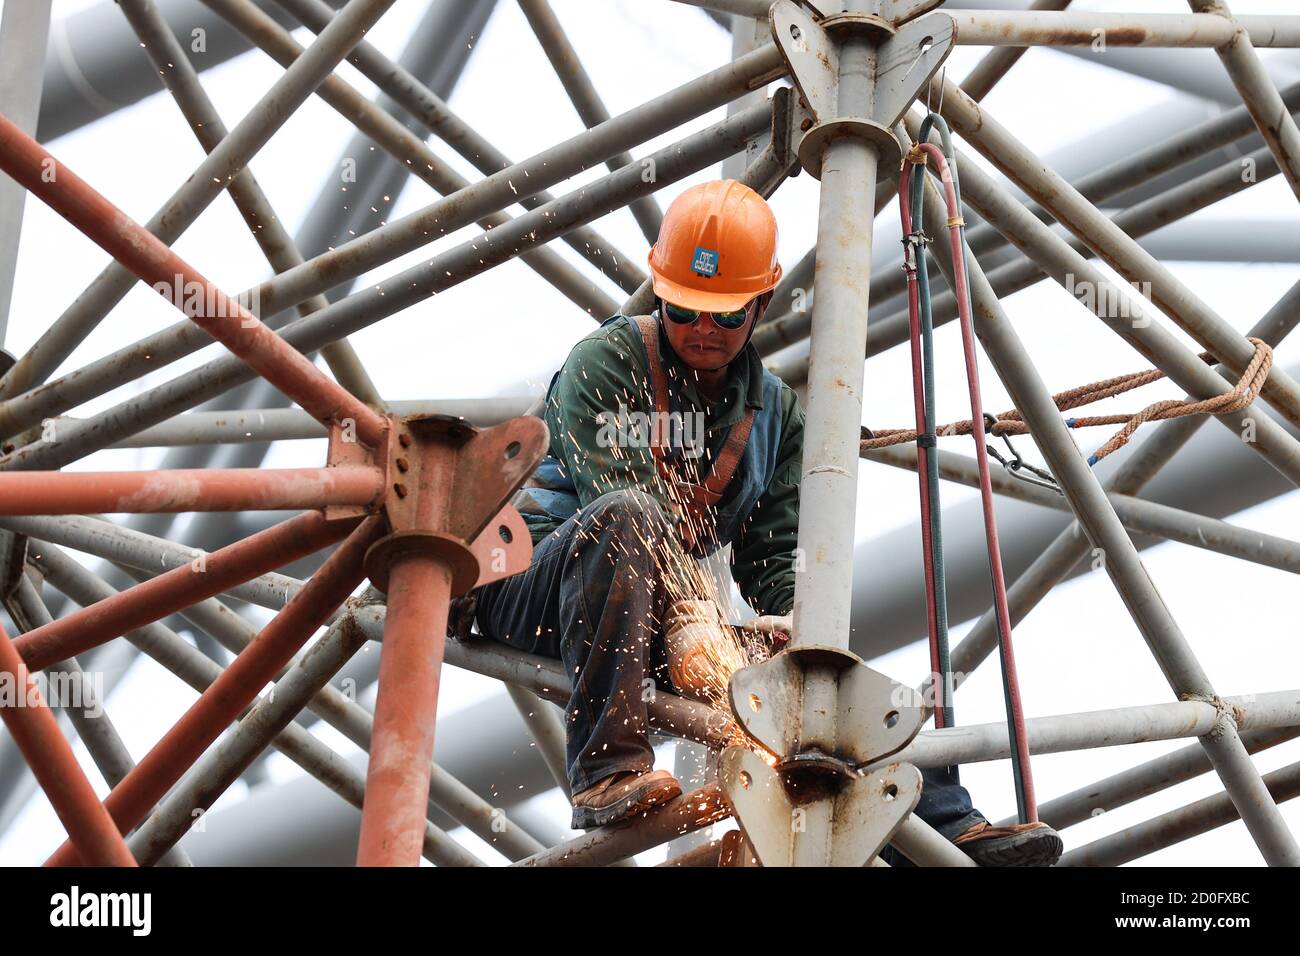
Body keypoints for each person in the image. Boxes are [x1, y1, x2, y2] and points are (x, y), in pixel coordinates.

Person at [474, 179, 1062, 866]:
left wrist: (798, 639)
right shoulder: (607, 362)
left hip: (646, 618)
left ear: (762, 303)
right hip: (536, 586)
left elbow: (775, 565)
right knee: (629, 518)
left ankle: (942, 833)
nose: (702, 329)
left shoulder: (774, 417)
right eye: (686, 308)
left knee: (823, 678)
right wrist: (701, 619)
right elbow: (622, 495)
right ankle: (606, 770)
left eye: (725, 316)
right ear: (659, 292)